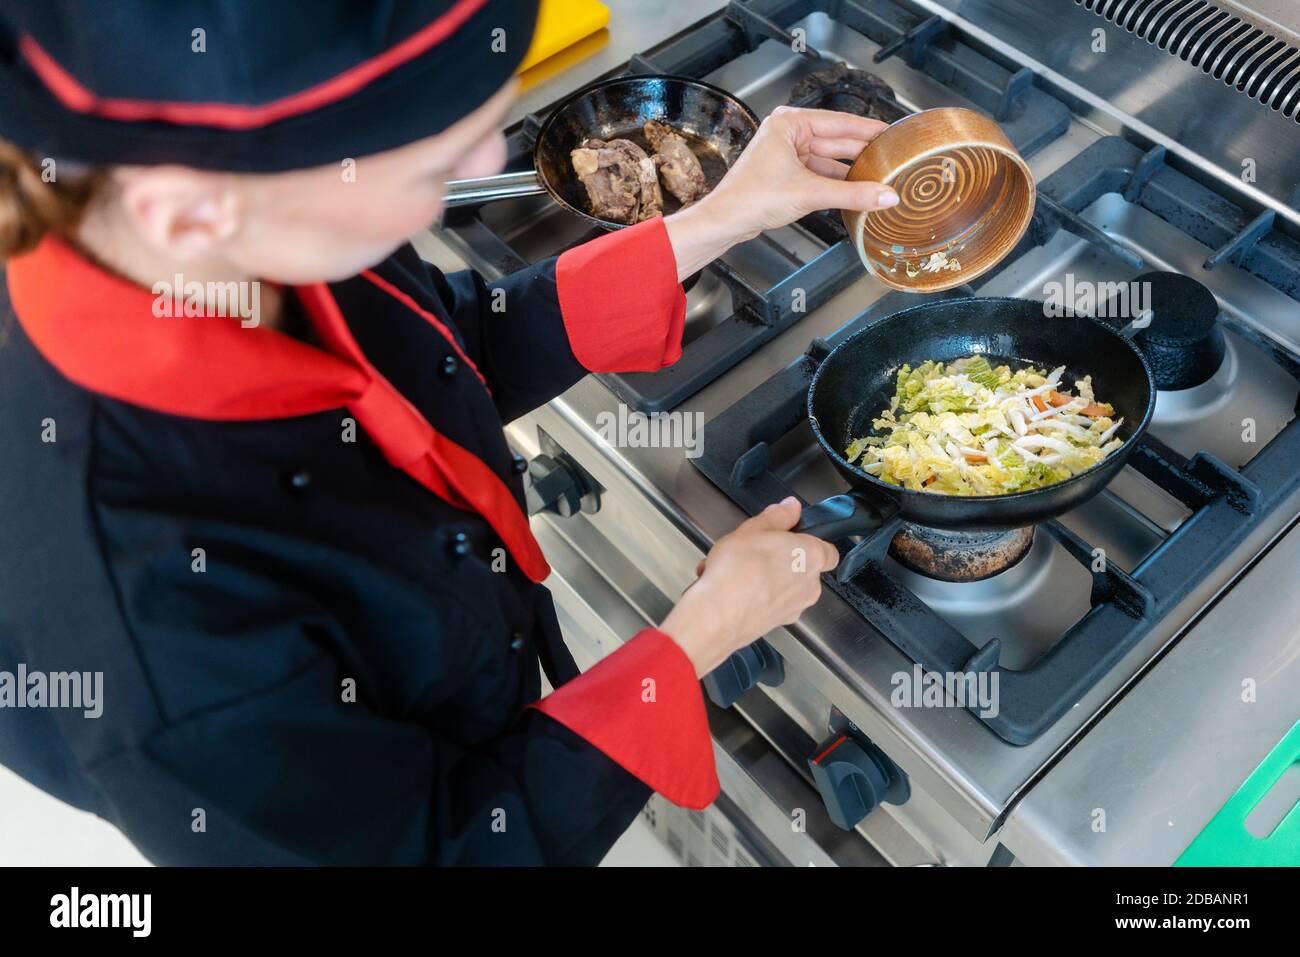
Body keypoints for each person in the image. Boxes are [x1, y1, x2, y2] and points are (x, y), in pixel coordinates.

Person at [0, 0, 898, 864]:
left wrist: (719, 217)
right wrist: (699, 637)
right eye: (426, 164)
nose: (479, 154)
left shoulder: (246, 228)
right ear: (189, 210)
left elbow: (447, 349)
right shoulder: (155, 633)